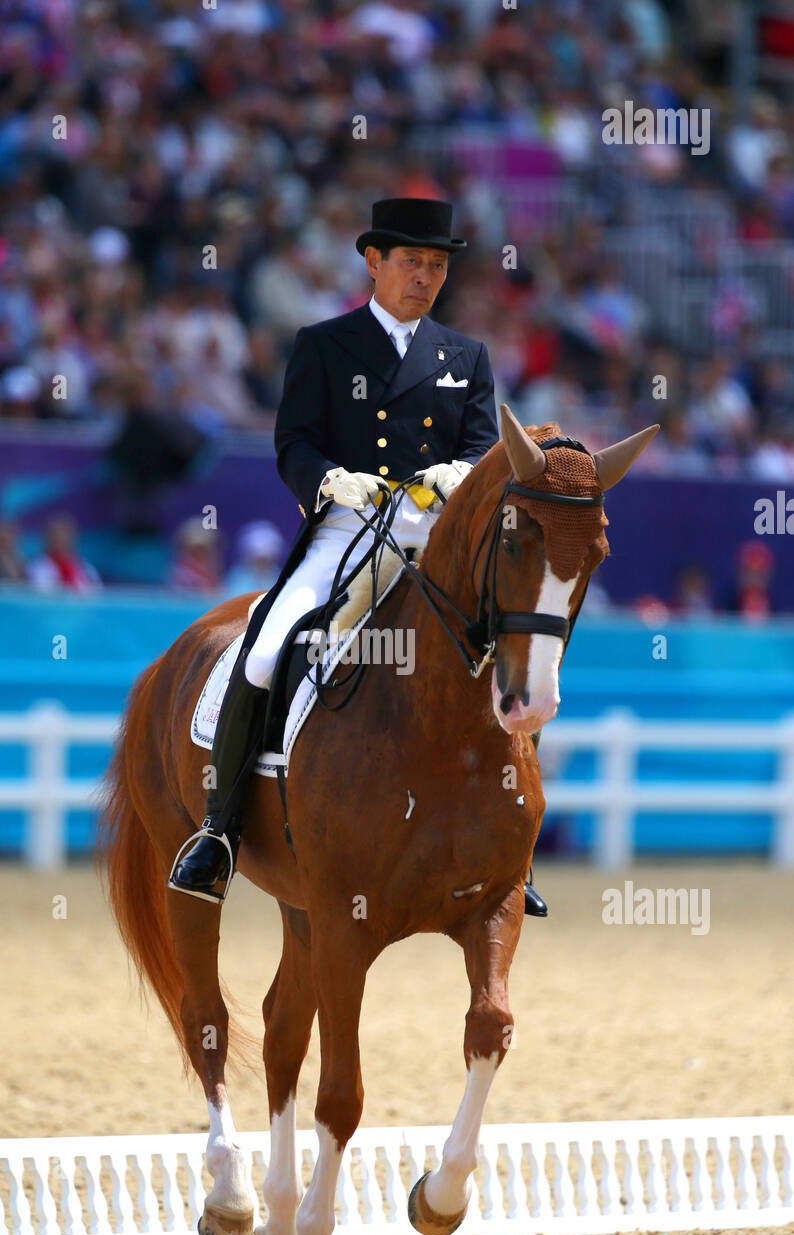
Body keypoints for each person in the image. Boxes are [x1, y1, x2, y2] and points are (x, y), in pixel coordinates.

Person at [169, 198, 548, 916]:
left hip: (435, 538)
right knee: (263, 649)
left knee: (517, 648)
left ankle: (512, 849)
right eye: (412, 262)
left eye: (437, 265)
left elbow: (481, 448)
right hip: (348, 529)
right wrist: (325, 482)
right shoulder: (323, 343)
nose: (426, 276)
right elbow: (294, 442)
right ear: (374, 262)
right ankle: (219, 831)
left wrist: (461, 476)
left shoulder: (464, 357)